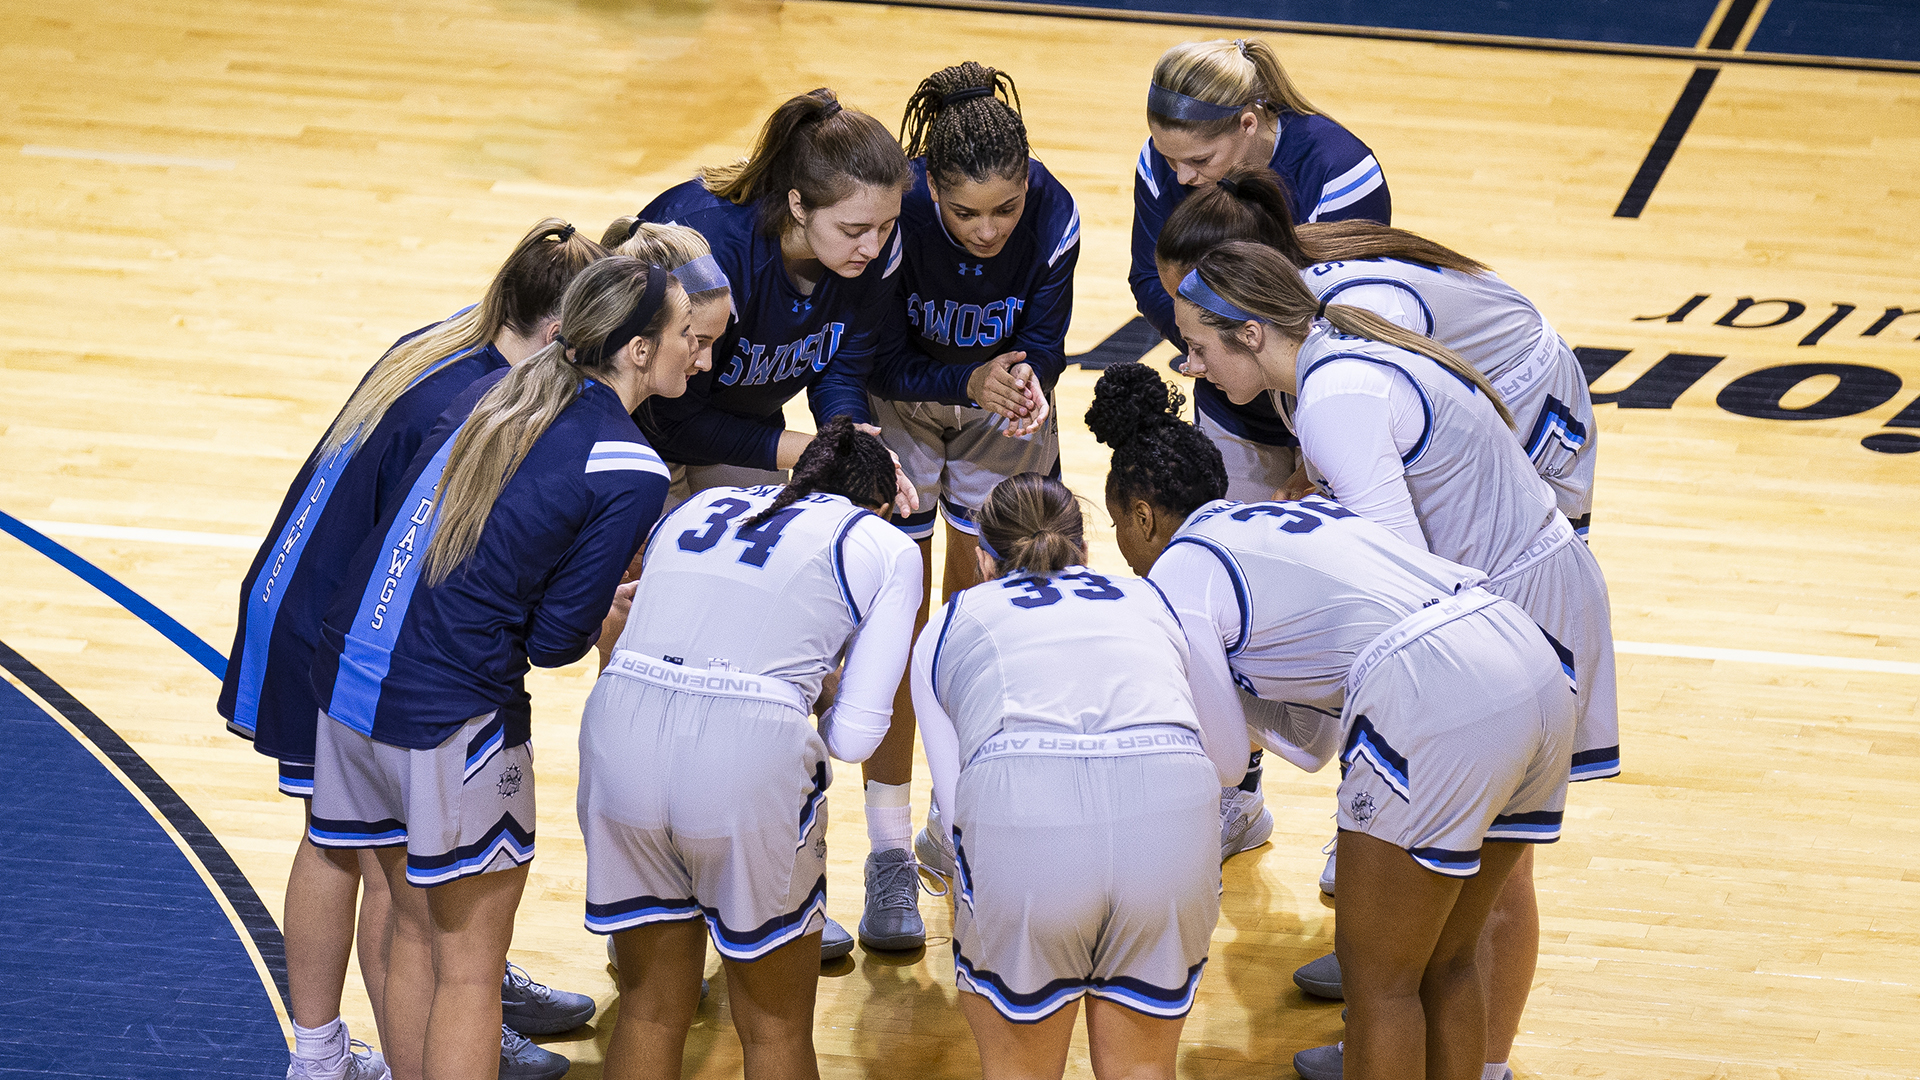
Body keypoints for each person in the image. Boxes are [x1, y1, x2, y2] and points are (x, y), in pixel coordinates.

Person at [1172, 243, 1619, 1080]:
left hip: (1496, 621)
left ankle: (1440, 1050)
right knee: (1458, 917)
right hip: (1512, 613)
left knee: (1483, 891)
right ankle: (1457, 1058)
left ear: (1254, 332)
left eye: (1199, 345)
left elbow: (1396, 581)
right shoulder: (1342, 351)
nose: (1190, 366)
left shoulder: (1333, 400)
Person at [1085, 361, 1576, 1080]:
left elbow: (1225, 762)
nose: (1125, 552)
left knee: (1381, 985)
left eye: (1118, 528)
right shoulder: (1281, 522)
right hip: (1527, 658)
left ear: (1141, 515)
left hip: (1434, 691)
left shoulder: (1179, 576)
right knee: (1448, 962)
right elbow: (1316, 740)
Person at [216, 219, 604, 1080]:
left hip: (308, 599)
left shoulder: (447, 344)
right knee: (376, 862)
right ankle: (361, 1050)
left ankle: (450, 999)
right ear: (553, 335)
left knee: (373, 847)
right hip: (337, 628)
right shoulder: (473, 406)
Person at [305, 257, 699, 1080]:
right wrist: (608, 605)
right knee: (470, 968)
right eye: (684, 338)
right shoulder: (629, 466)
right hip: (453, 717)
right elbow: (557, 642)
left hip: (349, 689)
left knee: (411, 930)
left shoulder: (490, 394)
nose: (697, 357)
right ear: (634, 350)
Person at [636, 87, 920, 956]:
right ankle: (662, 904)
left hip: (741, 439)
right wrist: (797, 446)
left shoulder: (867, 247)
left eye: (883, 229)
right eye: (853, 233)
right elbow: (674, 411)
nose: (873, 250)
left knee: (764, 643)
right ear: (796, 204)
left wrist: (847, 435)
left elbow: (848, 358)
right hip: (639, 447)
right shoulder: (705, 245)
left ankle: (767, 886)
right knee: (655, 673)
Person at [578, 417, 921, 1080]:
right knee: (773, 1029)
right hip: (746, 752)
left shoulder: (703, 503)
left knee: (648, 1011)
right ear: (879, 505)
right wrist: (819, 690)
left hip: (620, 733)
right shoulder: (883, 543)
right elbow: (854, 738)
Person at [1130, 37, 1392, 863]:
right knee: (1225, 610)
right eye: (1168, 159)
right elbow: (1152, 279)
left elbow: (1342, 317)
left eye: (1198, 158)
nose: (1180, 178)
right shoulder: (1163, 162)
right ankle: (1236, 801)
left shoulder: (1342, 174)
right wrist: (1207, 344)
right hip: (1233, 403)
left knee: (1360, 612)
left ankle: (1368, 816)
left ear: (1251, 124)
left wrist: (1318, 458)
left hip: (1336, 405)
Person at [909, 472, 1246, 1080]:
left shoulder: (949, 620)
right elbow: (1228, 760)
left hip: (1028, 817)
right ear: (1083, 552)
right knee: (1143, 1069)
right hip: (1168, 813)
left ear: (983, 561)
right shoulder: (1152, 598)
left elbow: (956, 810)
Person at [857, 61, 1078, 947]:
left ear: (1027, 185)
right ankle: (884, 858)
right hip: (904, 403)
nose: (988, 231)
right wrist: (967, 378)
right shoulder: (896, 211)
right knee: (899, 624)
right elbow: (871, 363)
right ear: (930, 193)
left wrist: (1030, 383)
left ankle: (955, 824)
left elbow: (1046, 339)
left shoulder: (1056, 213)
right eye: (964, 213)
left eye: (1005, 209)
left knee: (986, 617)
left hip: (997, 407)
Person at [1154, 166, 1596, 531]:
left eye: (1194, 291)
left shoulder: (1357, 308)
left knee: (1534, 544)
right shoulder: (1291, 281)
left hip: (1525, 388)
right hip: (1476, 392)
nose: (1186, 309)